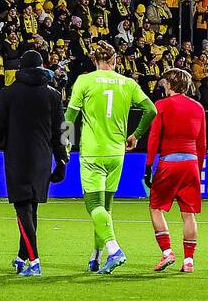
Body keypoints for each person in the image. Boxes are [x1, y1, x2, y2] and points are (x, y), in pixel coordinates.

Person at [64, 41, 156, 274]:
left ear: (95, 61)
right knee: (106, 208)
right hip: (117, 153)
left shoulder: (84, 80)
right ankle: (96, 257)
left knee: (93, 205)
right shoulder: (128, 83)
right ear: (115, 61)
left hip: (93, 152)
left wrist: (65, 144)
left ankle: (115, 250)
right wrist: (135, 136)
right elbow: (151, 110)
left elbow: (70, 116)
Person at [0, 50, 68, 277]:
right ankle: (22, 257)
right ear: (42, 67)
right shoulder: (53, 95)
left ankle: (34, 260)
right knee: (32, 209)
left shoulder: (8, 94)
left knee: (23, 208)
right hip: (42, 158)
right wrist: (62, 159)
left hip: (17, 157)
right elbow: (63, 130)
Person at [145, 68, 205, 274]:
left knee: (155, 206)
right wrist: (198, 169)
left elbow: (154, 138)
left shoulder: (161, 105)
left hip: (169, 162)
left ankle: (167, 252)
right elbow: (202, 143)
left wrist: (148, 166)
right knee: (188, 214)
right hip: (191, 164)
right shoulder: (198, 108)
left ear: (169, 85)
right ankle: (189, 260)